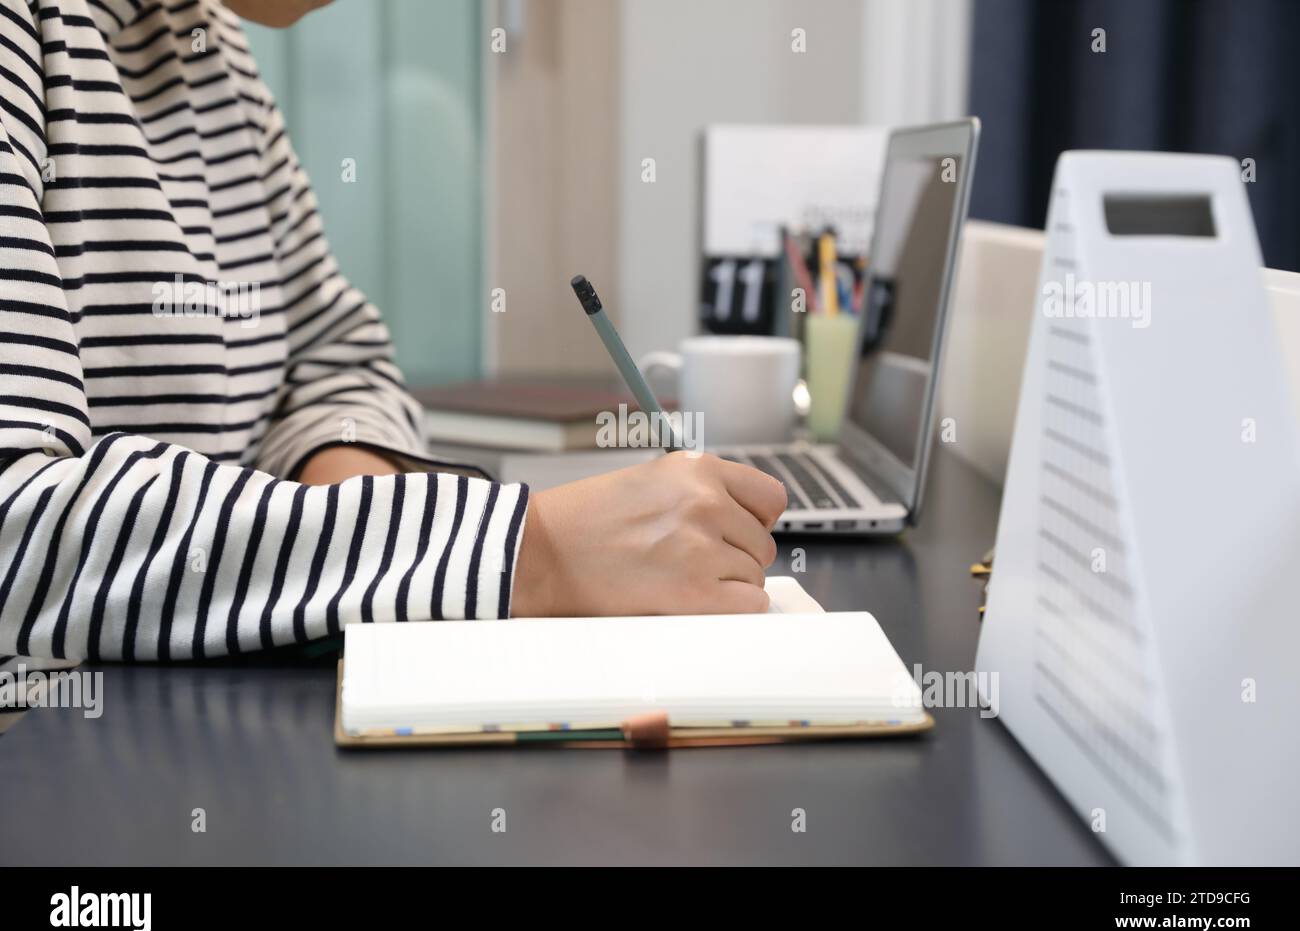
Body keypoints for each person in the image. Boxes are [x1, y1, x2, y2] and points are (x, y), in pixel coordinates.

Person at [0, 0, 785, 664]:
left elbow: (335, 358)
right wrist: (526, 555)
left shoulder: (206, 43)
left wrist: (354, 506)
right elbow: (13, 530)